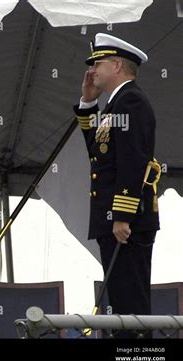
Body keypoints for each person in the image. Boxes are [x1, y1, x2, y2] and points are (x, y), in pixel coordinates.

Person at [74, 34, 160, 337]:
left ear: (117, 65)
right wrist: (88, 103)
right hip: (115, 221)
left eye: (98, 63)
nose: (92, 70)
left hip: (126, 222)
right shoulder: (115, 104)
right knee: (122, 306)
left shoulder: (131, 100)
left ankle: (138, 358)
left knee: (132, 308)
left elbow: (132, 161)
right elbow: (99, 153)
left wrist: (123, 215)